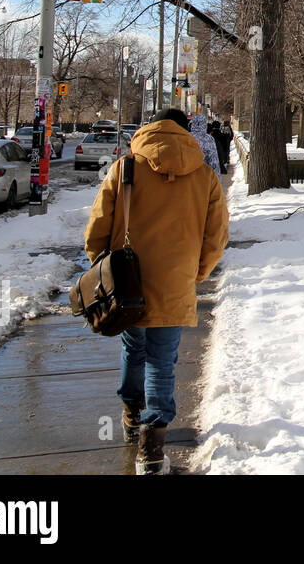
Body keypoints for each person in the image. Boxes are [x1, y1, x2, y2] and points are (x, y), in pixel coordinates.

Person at [84, 108, 228, 475]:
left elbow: (98, 224)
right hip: (176, 280)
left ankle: (131, 411)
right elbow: (216, 236)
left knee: (134, 348)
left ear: (151, 129)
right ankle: (153, 444)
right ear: (186, 133)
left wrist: (98, 262)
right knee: (163, 360)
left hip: (128, 278)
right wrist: (196, 272)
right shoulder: (206, 176)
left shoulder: (126, 167)